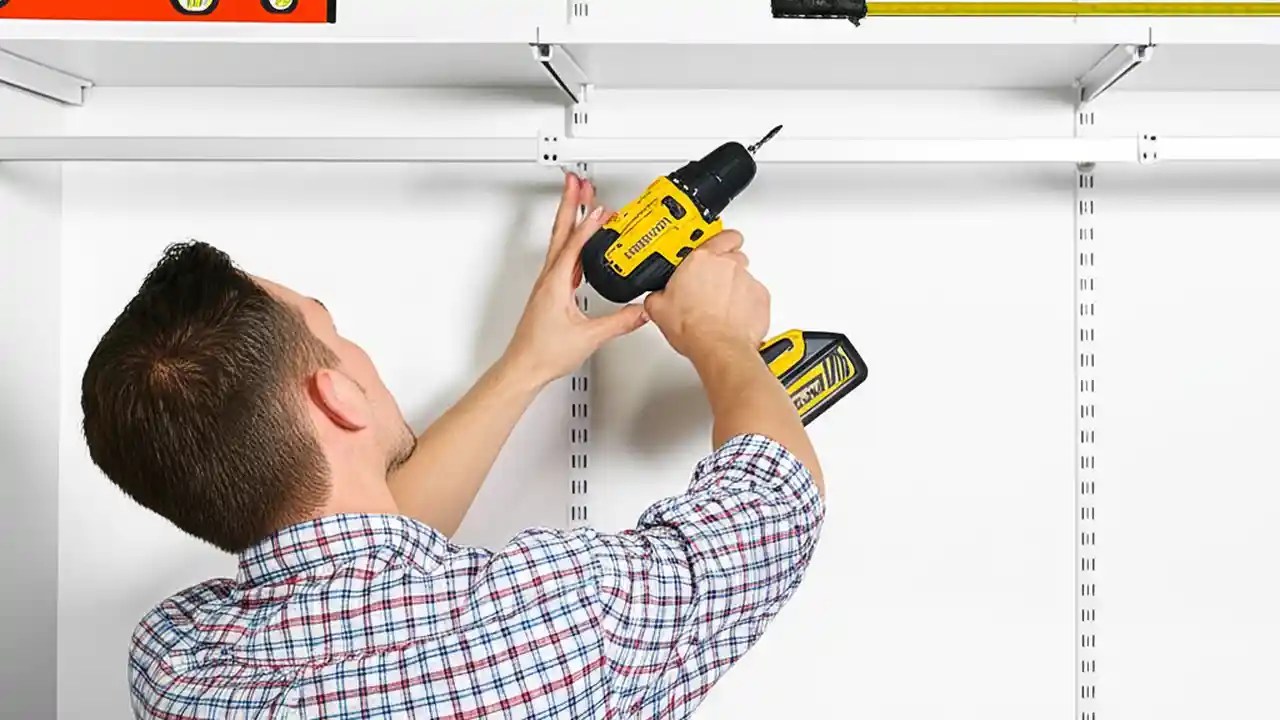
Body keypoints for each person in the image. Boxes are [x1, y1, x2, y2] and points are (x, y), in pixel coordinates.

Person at [81, 174, 826, 719]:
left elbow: (357, 567)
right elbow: (773, 503)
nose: (355, 351)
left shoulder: (177, 663)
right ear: (336, 398)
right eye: (333, 331)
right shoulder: (564, 620)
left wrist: (525, 366)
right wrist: (721, 338)